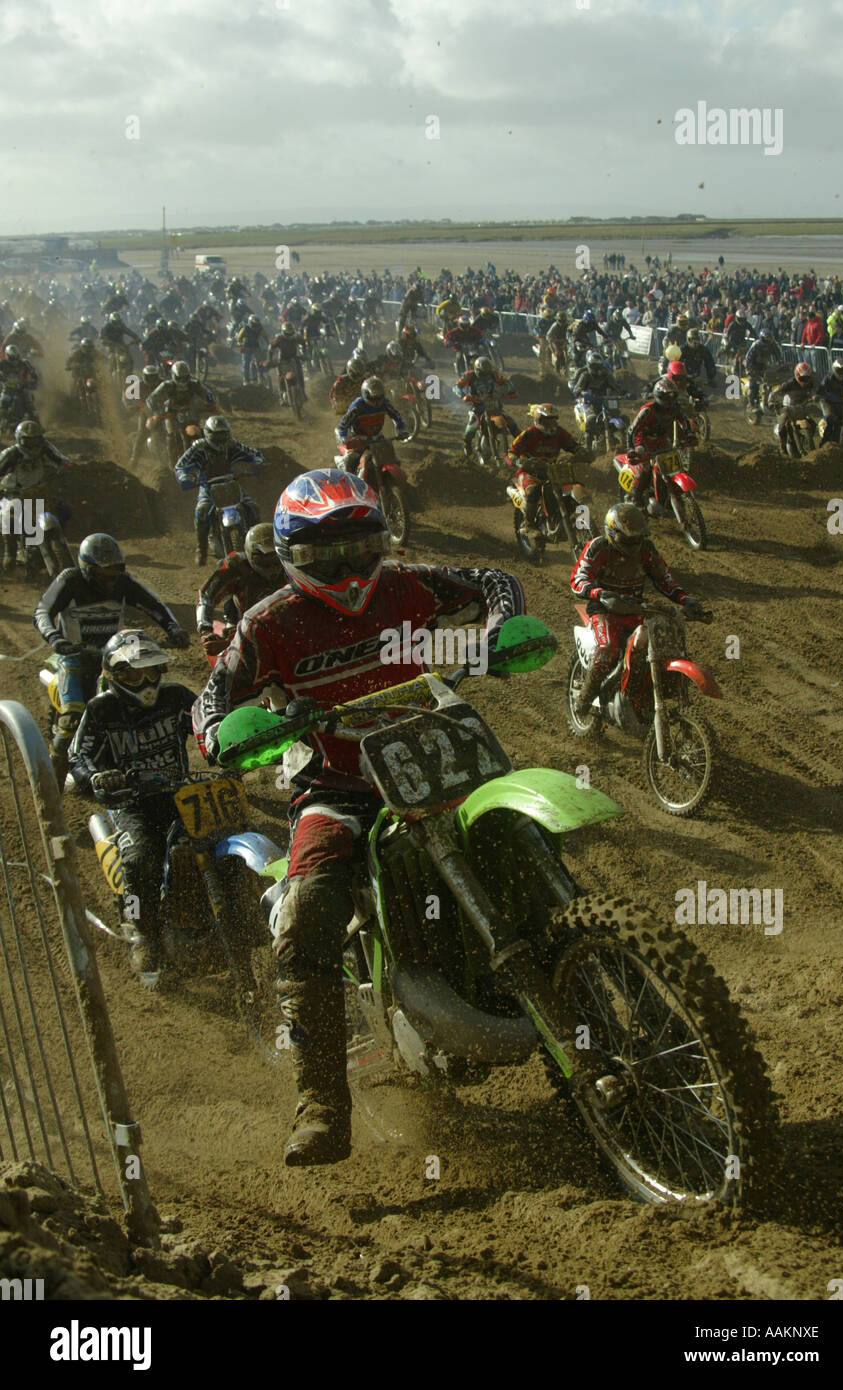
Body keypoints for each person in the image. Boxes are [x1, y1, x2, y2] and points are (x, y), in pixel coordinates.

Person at [191, 468, 526, 1164]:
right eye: (323, 554)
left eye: (358, 546)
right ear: (290, 556)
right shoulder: (268, 623)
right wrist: (230, 735)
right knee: (309, 908)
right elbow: (210, 702)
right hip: (336, 785)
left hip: (435, 757)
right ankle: (321, 1103)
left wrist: (492, 635)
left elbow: (494, 581)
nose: (346, 568)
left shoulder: (410, 583)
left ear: (381, 539)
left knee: (521, 834)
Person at [68, 630, 197, 985]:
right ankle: (140, 930)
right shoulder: (100, 709)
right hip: (130, 803)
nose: (144, 681)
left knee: (213, 841)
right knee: (140, 858)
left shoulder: (176, 697)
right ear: (113, 676)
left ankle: (215, 921)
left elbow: (206, 723)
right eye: (131, 674)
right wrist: (96, 778)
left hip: (178, 793)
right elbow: (77, 755)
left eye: (149, 671)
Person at [33, 535, 189, 787]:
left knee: (144, 705)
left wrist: (173, 628)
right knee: (70, 722)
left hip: (115, 662)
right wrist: (54, 637)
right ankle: (52, 796)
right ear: (87, 568)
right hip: (74, 660)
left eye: (114, 571)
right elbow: (42, 611)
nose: (109, 578)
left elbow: (154, 604)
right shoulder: (69, 581)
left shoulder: (123, 583)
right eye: (102, 572)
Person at [569, 502, 709, 717]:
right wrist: (598, 593)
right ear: (612, 533)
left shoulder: (646, 549)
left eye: (637, 539)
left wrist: (686, 600)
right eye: (628, 540)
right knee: (607, 647)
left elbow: (665, 579)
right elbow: (578, 578)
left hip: (635, 609)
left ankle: (642, 694)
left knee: (664, 642)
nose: (634, 545)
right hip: (605, 610)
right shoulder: (599, 547)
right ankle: (585, 698)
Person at [175, 415, 265, 564]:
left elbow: (254, 454)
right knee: (202, 510)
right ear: (209, 433)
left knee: (253, 507)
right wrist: (184, 478)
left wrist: (258, 464)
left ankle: (259, 543)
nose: (221, 439)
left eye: (224, 434)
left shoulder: (232, 445)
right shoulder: (198, 448)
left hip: (230, 483)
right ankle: (201, 549)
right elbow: (180, 465)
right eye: (217, 435)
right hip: (208, 487)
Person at [196, 523, 284, 657]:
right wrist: (205, 630)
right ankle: (201, 547)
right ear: (249, 555)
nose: (271, 567)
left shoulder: (292, 563)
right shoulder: (236, 565)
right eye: (263, 561)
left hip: (285, 625)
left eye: (274, 560)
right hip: (241, 626)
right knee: (229, 670)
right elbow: (207, 595)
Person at [0, 422, 71, 575]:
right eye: (28, 440)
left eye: (36, 439)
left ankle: (57, 541)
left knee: (63, 510)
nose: (33, 444)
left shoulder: (45, 448)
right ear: (20, 439)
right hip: (14, 493)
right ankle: (10, 553)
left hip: (38, 492)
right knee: (9, 516)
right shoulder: (12, 454)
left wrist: (66, 466)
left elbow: (60, 458)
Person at [508, 404, 587, 537]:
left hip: (552, 470)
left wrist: (583, 453)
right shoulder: (529, 434)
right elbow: (511, 453)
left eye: (553, 421)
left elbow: (573, 446)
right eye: (547, 421)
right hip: (529, 472)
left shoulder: (560, 433)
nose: (551, 424)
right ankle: (528, 524)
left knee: (576, 486)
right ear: (539, 421)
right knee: (533, 489)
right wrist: (518, 461)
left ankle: (583, 525)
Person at [625, 380, 695, 510]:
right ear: (658, 396)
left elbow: (684, 421)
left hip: (662, 441)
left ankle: (668, 495)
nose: (670, 401)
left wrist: (689, 434)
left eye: (673, 396)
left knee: (674, 466)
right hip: (643, 442)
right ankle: (636, 497)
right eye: (667, 397)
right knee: (644, 471)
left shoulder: (675, 408)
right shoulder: (648, 410)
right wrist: (631, 449)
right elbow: (632, 430)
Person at [335, 376, 408, 475]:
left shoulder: (385, 403)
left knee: (394, 459)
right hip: (359, 439)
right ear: (366, 394)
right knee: (350, 462)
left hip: (377, 437)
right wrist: (345, 438)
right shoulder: (357, 406)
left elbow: (396, 416)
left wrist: (401, 429)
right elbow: (343, 425)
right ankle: (350, 486)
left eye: (379, 397)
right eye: (373, 397)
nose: (376, 401)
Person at [456, 356, 518, 459]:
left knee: (512, 424)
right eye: (483, 374)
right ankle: (467, 444)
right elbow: (456, 387)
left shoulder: (494, 374)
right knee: (471, 427)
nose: (485, 376)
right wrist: (464, 396)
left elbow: (506, 381)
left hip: (493, 405)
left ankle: (523, 447)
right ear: (477, 370)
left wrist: (511, 391)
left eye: (487, 374)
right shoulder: (469, 375)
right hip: (478, 406)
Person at [768, 361, 818, 456]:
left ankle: (807, 443)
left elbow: (813, 392)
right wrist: (771, 402)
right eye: (803, 378)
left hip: (801, 408)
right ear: (797, 375)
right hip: (788, 408)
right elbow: (775, 392)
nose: (805, 381)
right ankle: (782, 448)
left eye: (807, 378)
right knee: (783, 426)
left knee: (813, 424)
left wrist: (815, 396)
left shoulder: (809, 383)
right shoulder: (790, 383)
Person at [268, 322, 306, 405]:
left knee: (300, 374)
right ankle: (281, 395)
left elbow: (303, 343)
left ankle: (303, 392)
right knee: (280, 377)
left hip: (294, 358)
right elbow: (270, 348)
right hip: (282, 360)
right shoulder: (278, 338)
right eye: (287, 334)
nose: (289, 336)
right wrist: (270, 360)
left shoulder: (296, 337)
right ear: (283, 332)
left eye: (291, 333)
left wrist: (304, 354)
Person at [743, 330, 782, 411]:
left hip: (764, 365)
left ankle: (770, 402)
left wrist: (780, 362)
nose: (768, 341)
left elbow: (778, 354)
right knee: (753, 383)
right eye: (767, 339)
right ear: (762, 338)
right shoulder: (756, 345)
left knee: (770, 382)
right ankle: (751, 404)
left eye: (769, 339)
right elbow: (748, 357)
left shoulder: (772, 344)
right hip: (753, 365)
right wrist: (748, 368)